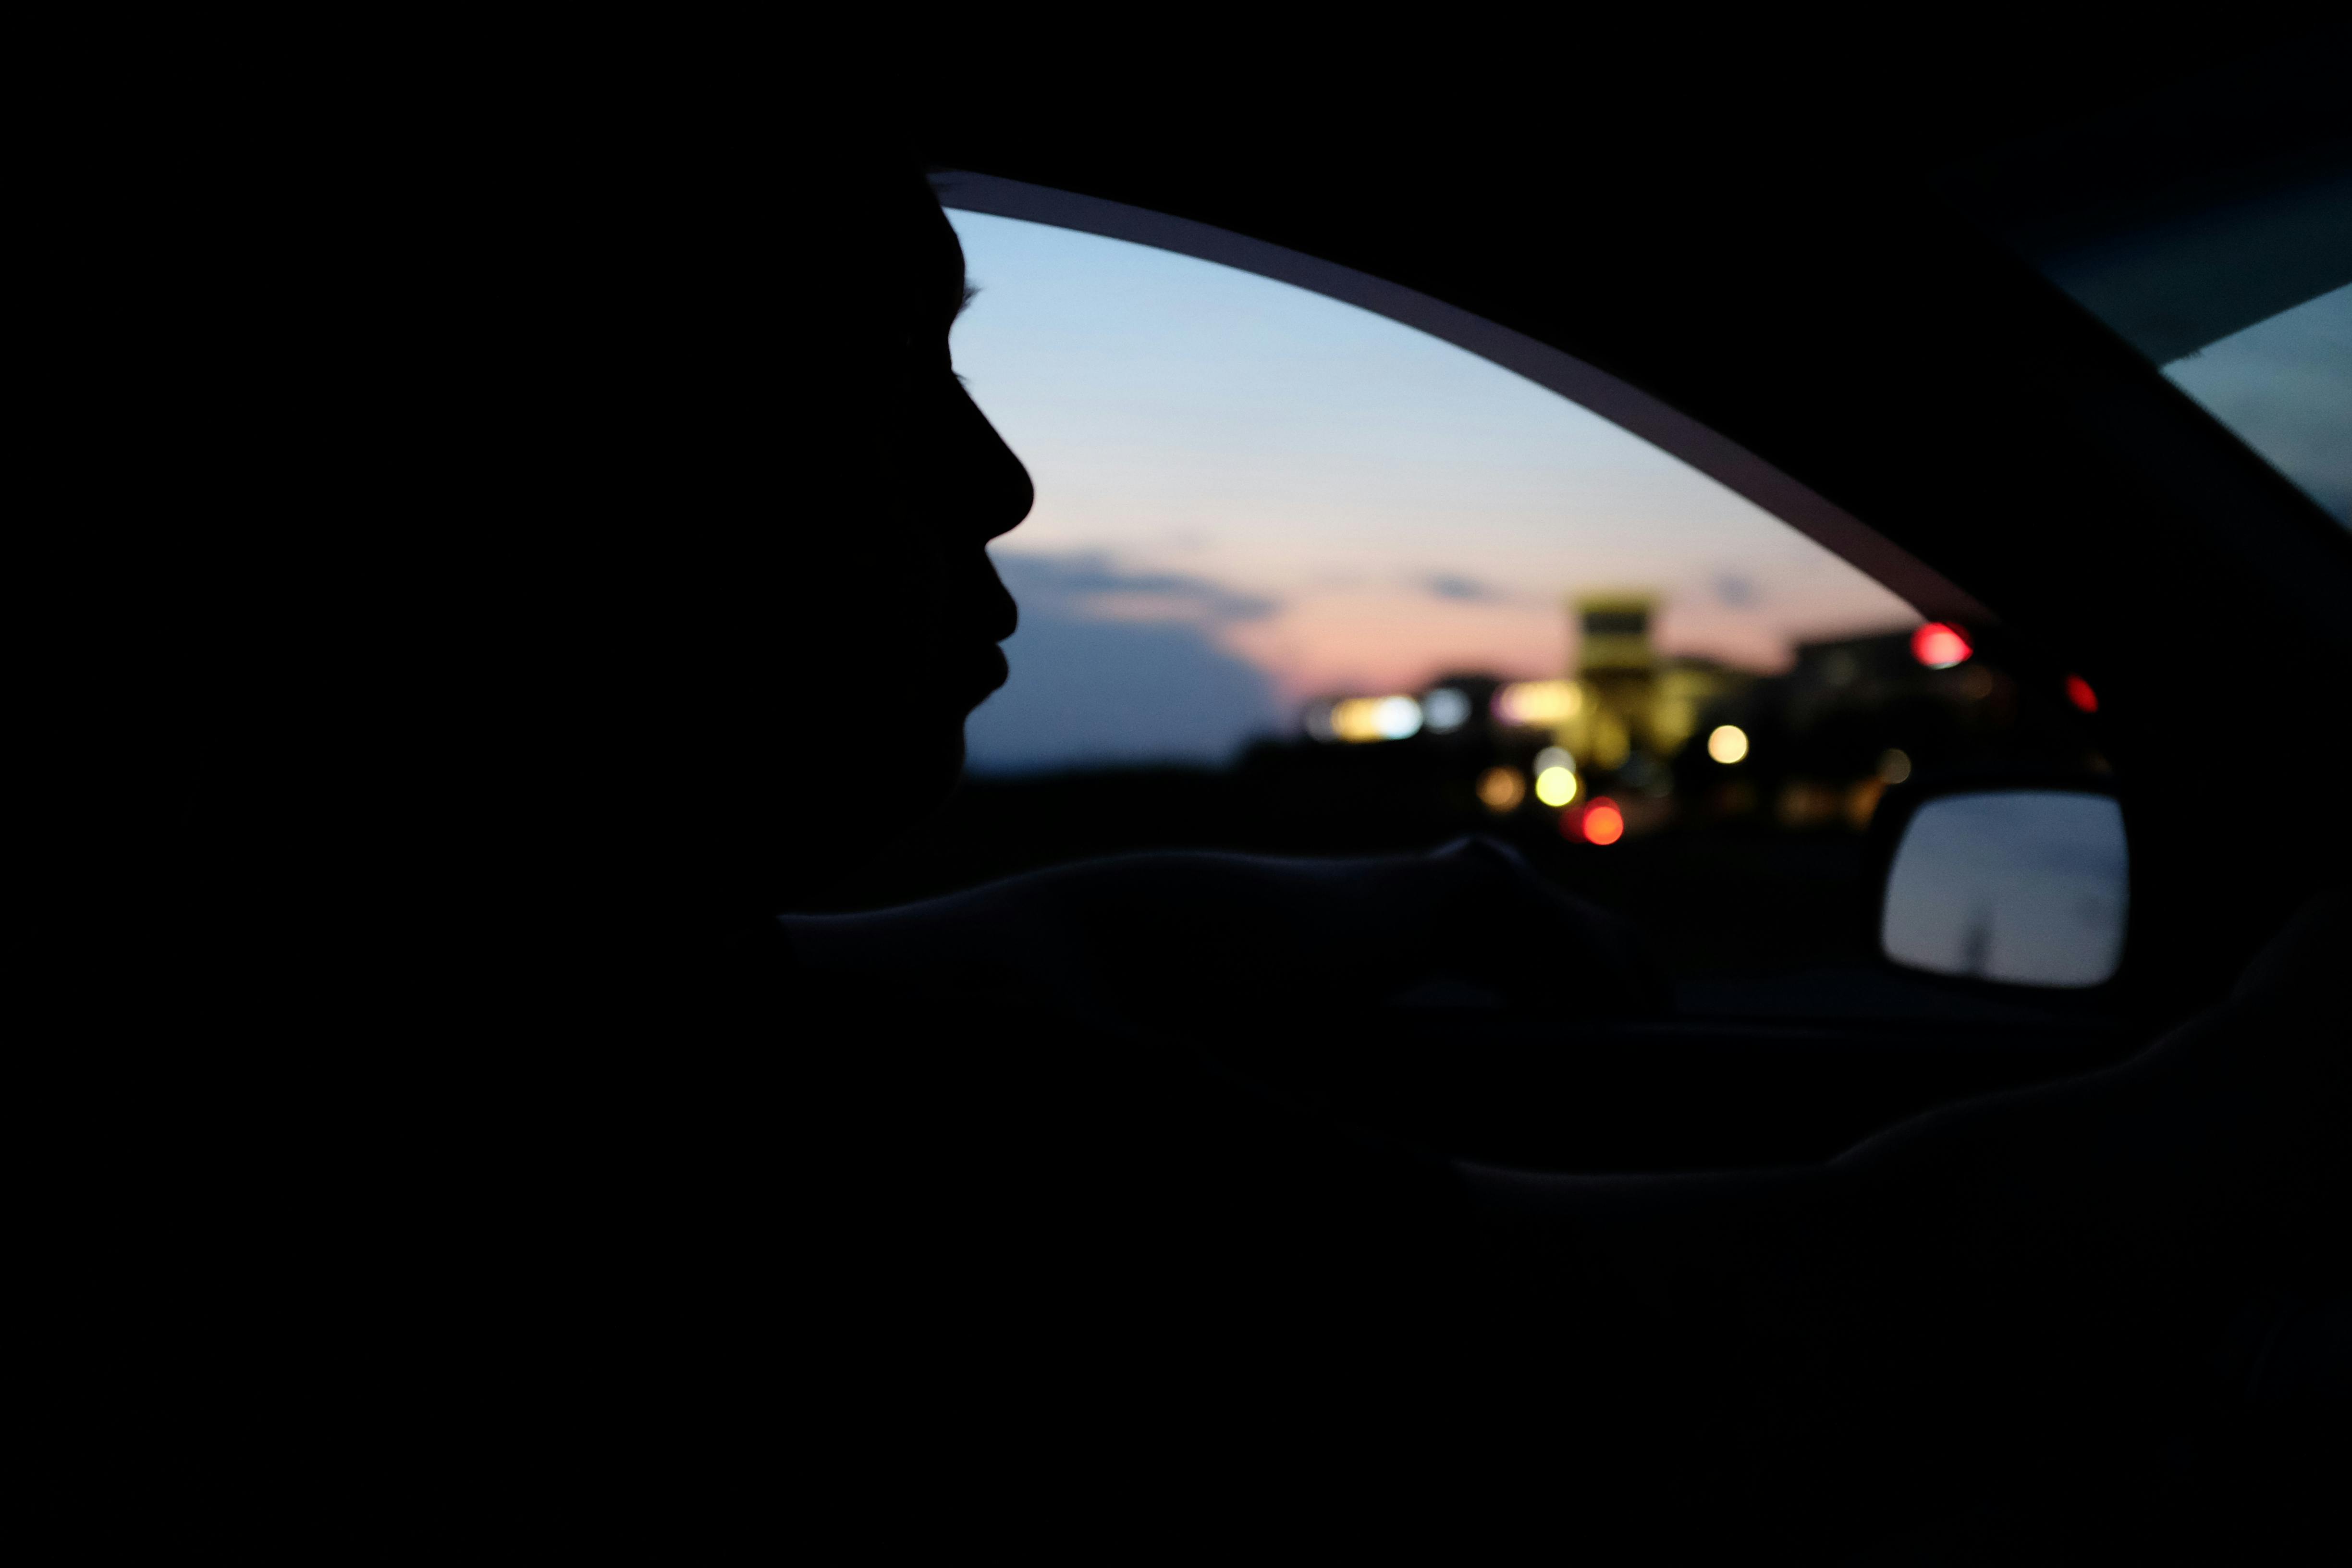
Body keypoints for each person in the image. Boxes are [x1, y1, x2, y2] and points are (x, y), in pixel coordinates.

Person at [437, 143, 2341, 1557]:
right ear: (591, 455)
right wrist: (2270, 1083)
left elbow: (987, 959)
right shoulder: (877, 1178)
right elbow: (1757, 1332)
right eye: (873, 373)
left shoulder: (661, 1044)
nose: (998, 477)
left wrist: (1392, 901)